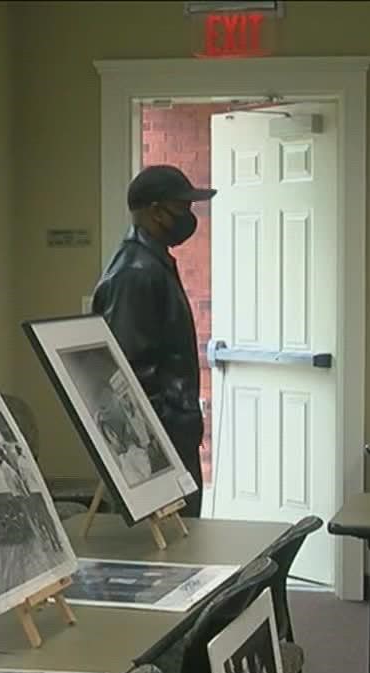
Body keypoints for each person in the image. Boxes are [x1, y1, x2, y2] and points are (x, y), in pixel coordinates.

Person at [93, 164, 216, 514]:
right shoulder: (135, 273)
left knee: (186, 542)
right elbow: (130, 372)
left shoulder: (154, 263)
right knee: (171, 555)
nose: (188, 216)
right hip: (157, 446)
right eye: (181, 207)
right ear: (155, 210)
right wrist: (154, 452)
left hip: (174, 436)